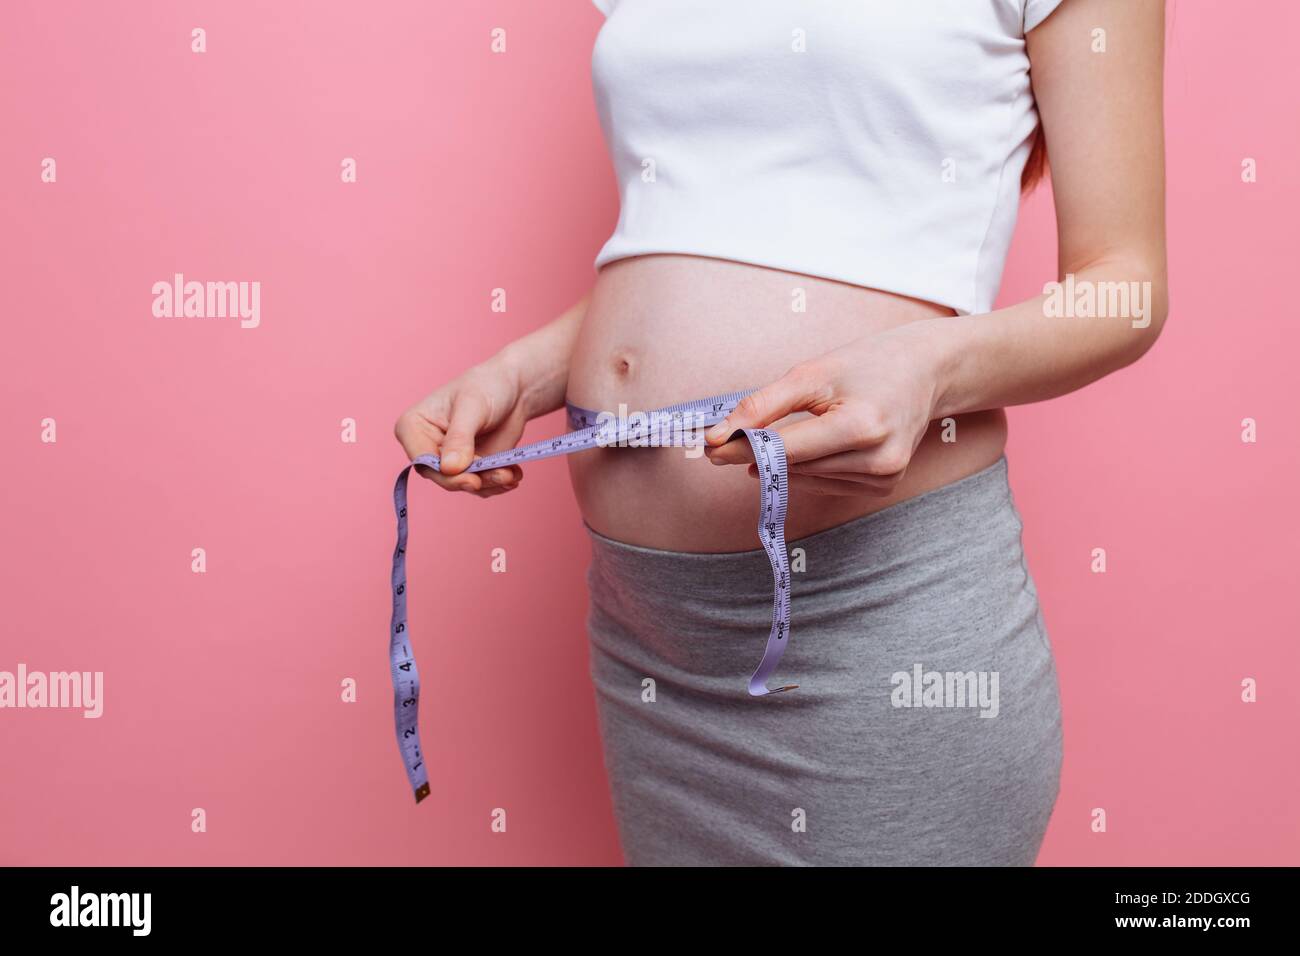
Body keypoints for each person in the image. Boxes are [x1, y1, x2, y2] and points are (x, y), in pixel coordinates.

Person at [394, 0, 1168, 865]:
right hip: (650, 635)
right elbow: (699, 232)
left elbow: (1125, 289)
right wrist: (523, 372)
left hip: (876, 624)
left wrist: (929, 369)